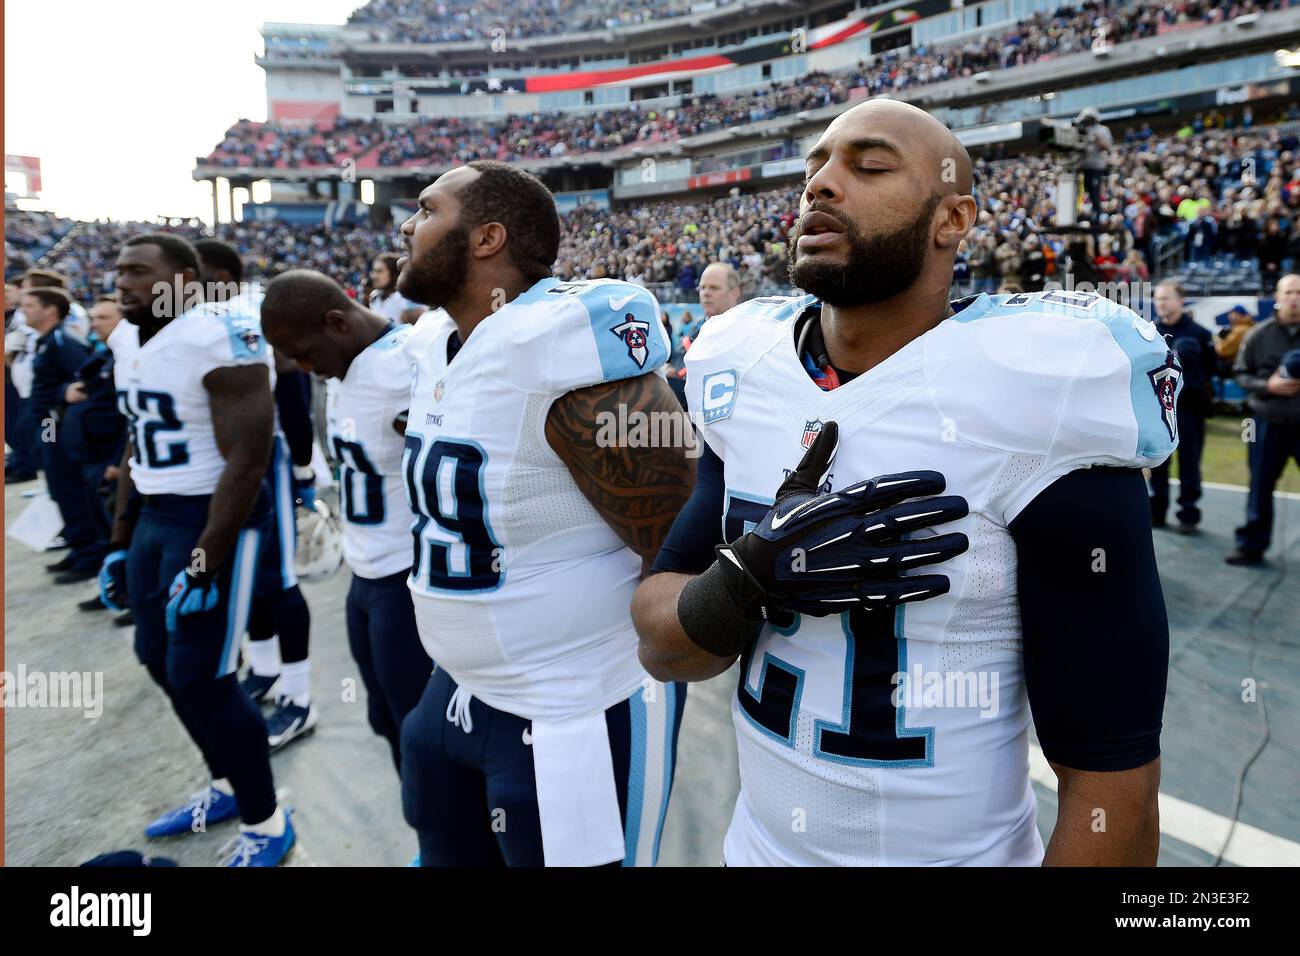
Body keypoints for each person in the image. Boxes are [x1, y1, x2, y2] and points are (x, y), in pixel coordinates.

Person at [632, 99, 1173, 866]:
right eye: (815, 164)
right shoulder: (740, 363)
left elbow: (1111, 781)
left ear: (953, 218)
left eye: (868, 164)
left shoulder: (1039, 395)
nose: (820, 183)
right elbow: (663, 646)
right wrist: (742, 584)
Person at [395, 160, 695, 866]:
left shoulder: (562, 343)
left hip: (572, 709)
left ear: (486, 237)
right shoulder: (429, 342)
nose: (409, 224)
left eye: (427, 208)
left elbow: (678, 544)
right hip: (452, 691)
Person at [101, 233, 294, 866]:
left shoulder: (221, 332)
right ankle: (227, 785)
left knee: (204, 675)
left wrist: (210, 554)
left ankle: (268, 822)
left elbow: (248, 457)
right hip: (157, 514)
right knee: (155, 656)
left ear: (184, 278)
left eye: (138, 271)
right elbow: (139, 440)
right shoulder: (125, 337)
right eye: (118, 269)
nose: (122, 281)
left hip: (212, 516)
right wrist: (120, 537)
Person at [260, 271, 435, 804]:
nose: (305, 369)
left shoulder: (413, 359)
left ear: (337, 323)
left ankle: (454, 839)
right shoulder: (347, 368)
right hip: (366, 573)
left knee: (420, 728)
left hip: (408, 574)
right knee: (384, 716)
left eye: (304, 354)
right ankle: (432, 833)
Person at [196, 239, 318, 749]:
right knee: (248, 572)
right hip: (225, 464)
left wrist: (305, 463)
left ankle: (299, 698)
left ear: (219, 273)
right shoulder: (197, 317)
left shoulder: (248, 311)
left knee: (280, 578)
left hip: (266, 459)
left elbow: (291, 385)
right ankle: (266, 670)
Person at [23, 287, 106, 581]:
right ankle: (78, 545)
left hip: (57, 424)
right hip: (46, 424)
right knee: (57, 485)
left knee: (69, 487)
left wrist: (62, 394)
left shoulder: (64, 341)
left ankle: (90, 553)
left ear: (50, 310)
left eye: (30, 305)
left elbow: (84, 380)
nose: (24, 310)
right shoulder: (45, 341)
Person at [1227, 272, 1300, 565]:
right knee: (1260, 482)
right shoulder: (1257, 334)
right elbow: (1240, 374)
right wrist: (1267, 385)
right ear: (1277, 298)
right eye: (1289, 293)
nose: (1295, 298)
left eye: (1299, 292)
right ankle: (1251, 545)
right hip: (1264, 423)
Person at [1148, 281, 1214, 534]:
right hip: (1158, 411)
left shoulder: (1200, 334)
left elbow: (1211, 369)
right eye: (1157, 298)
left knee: (1189, 462)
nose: (1160, 303)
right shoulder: (1148, 332)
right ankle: (1158, 511)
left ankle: (1189, 514)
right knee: (1158, 462)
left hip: (1190, 410)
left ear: (1181, 301)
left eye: (1166, 298)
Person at [368, 253, 422, 324]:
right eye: (374, 271)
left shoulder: (406, 297)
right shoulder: (374, 296)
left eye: (379, 271)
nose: (374, 276)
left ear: (393, 273)